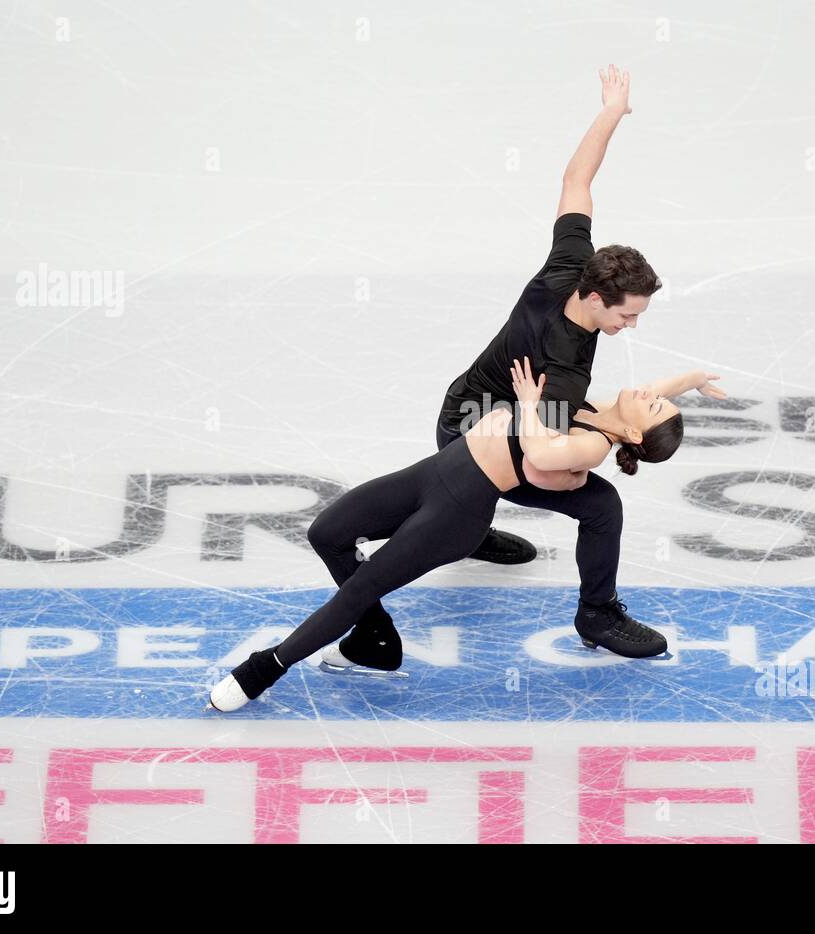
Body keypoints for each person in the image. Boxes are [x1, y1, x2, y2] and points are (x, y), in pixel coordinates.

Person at [340, 64, 728, 664]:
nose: (633, 326)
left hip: (460, 404)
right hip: (473, 432)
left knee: (524, 473)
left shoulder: (570, 265)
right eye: (627, 316)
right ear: (598, 298)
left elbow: (578, 178)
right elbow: (546, 459)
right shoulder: (563, 374)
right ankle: (592, 611)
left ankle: (468, 520)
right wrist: (584, 463)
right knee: (600, 505)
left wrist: (611, 111)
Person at [206, 357, 719, 712]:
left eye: (651, 405)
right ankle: (376, 641)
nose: (648, 394)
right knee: (328, 532)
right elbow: (657, 394)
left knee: (363, 587)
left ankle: (263, 670)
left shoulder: (592, 445)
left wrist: (527, 401)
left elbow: (540, 455)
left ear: (633, 435)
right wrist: (694, 378)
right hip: (431, 473)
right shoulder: (605, 410)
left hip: (457, 512)